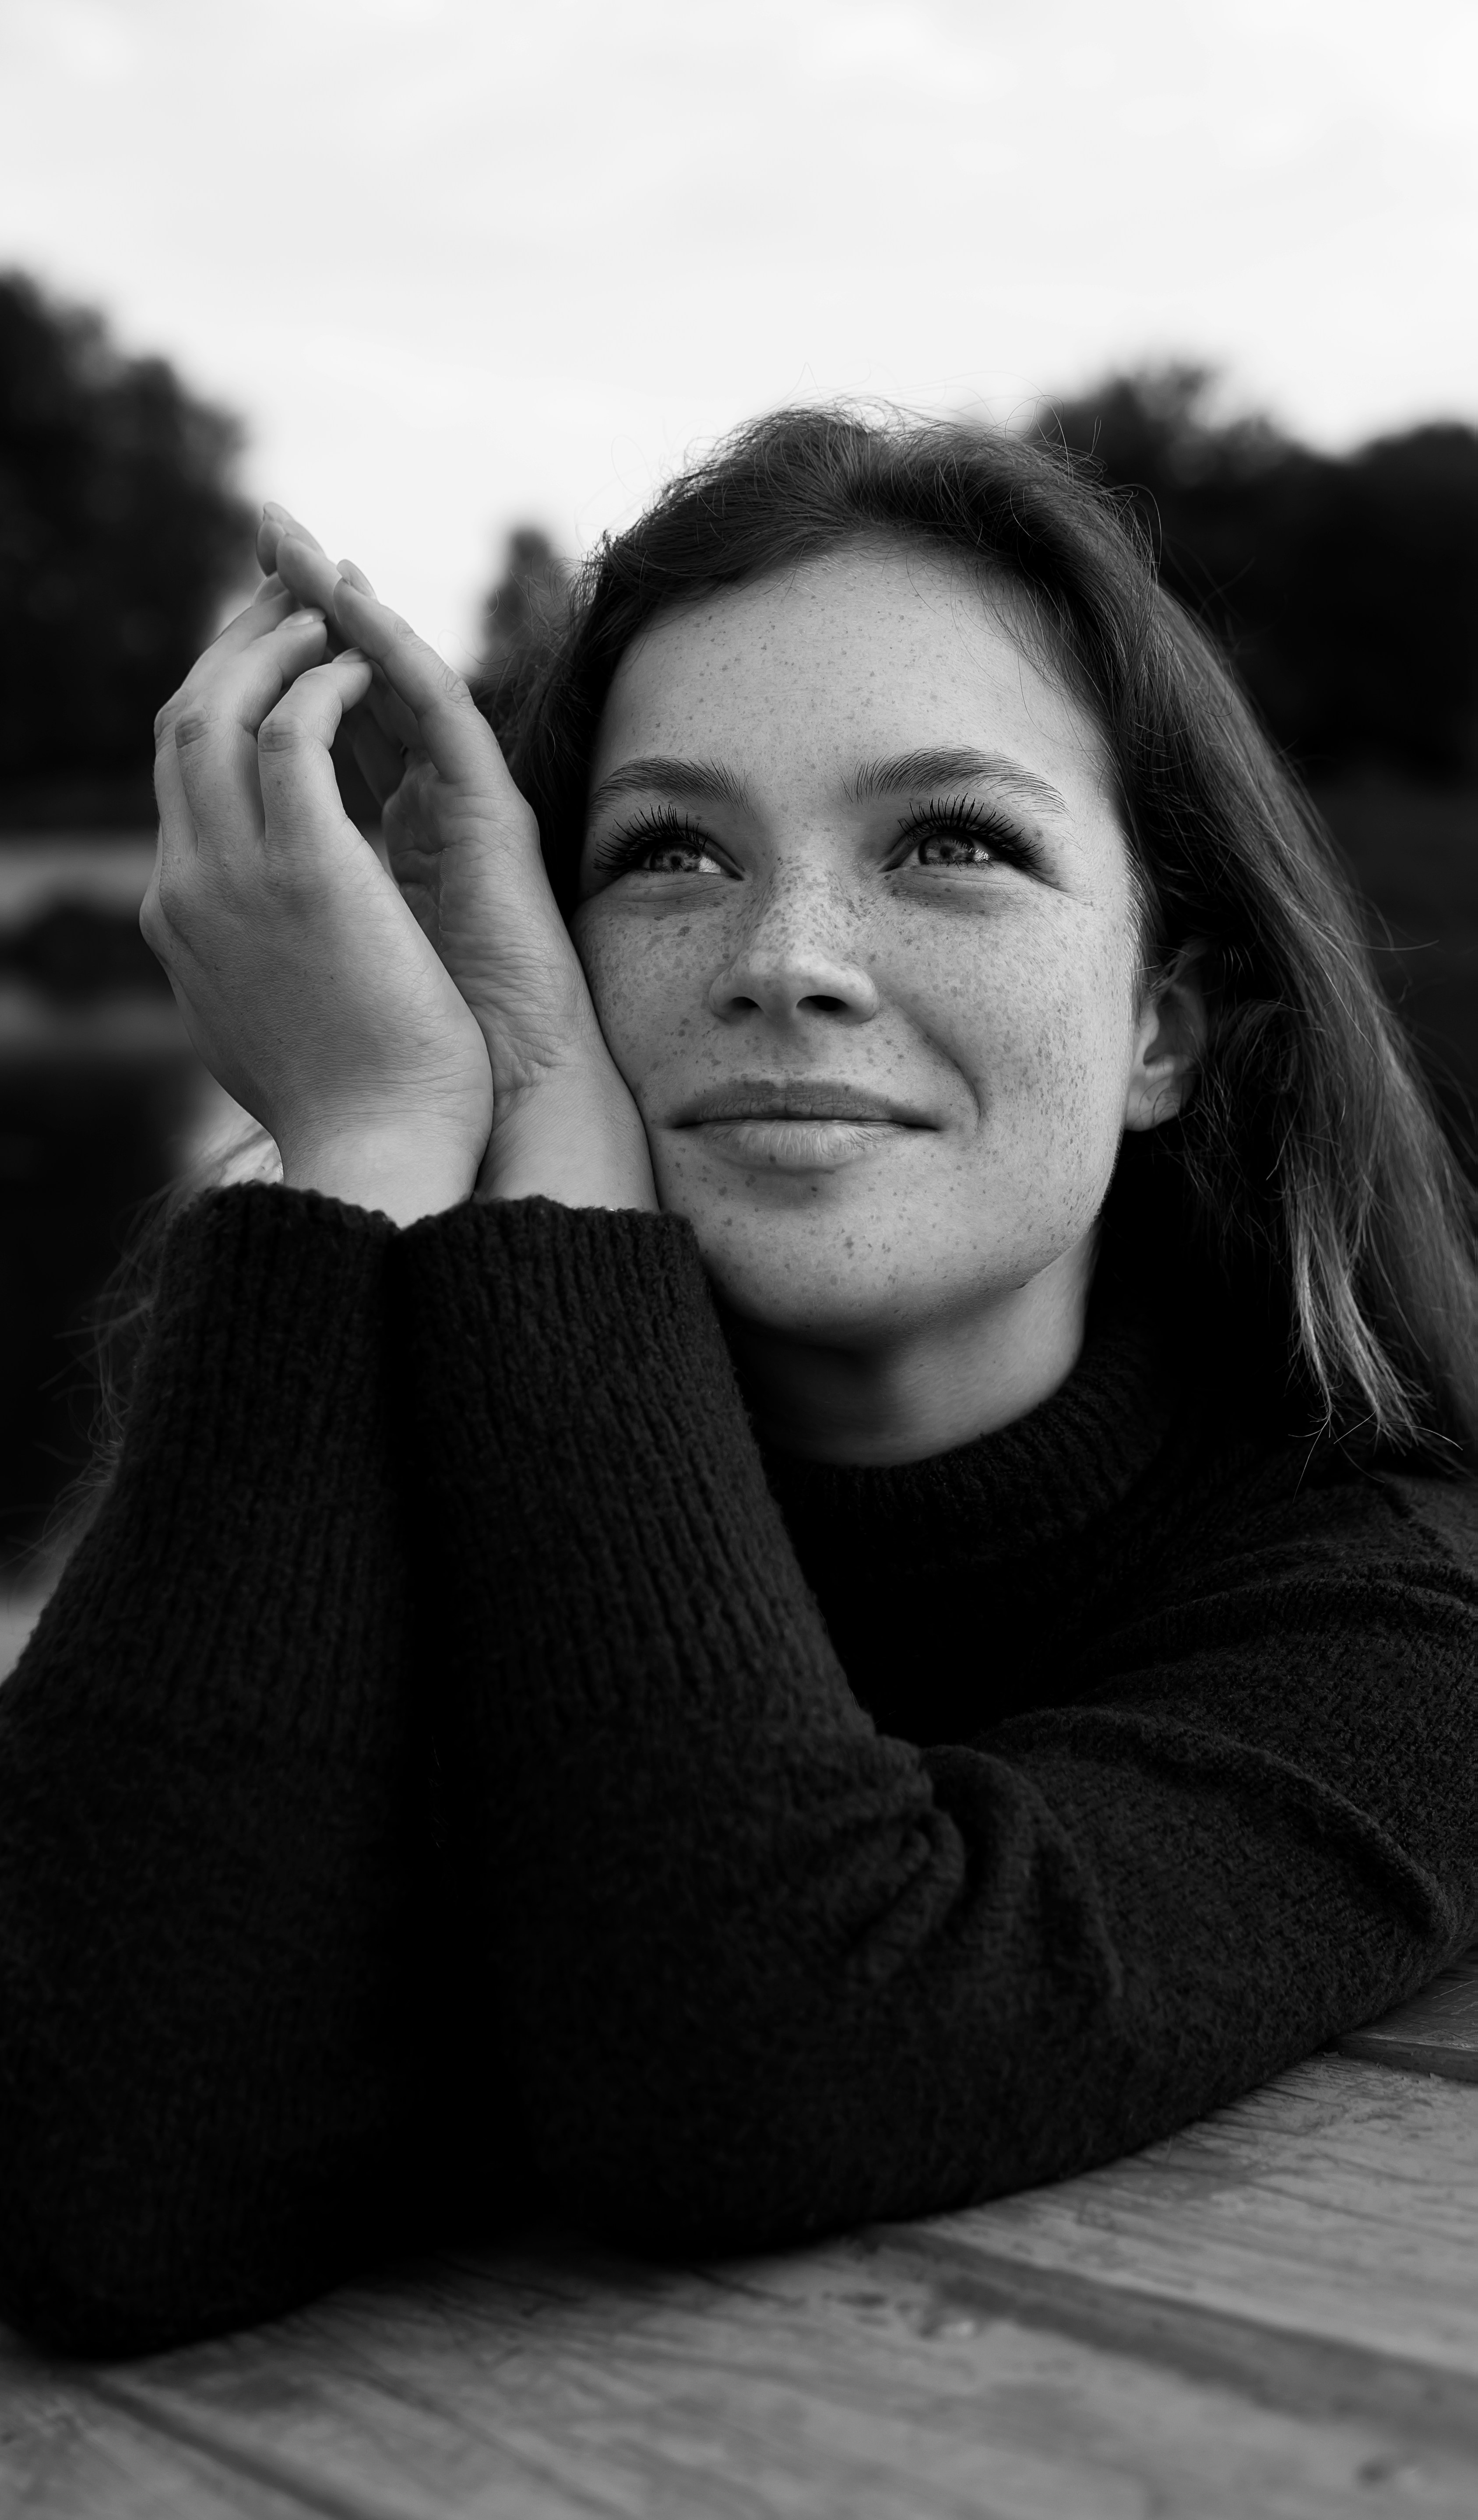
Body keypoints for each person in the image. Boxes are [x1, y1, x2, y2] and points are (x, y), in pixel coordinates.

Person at [2, 408, 1476, 2361]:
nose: (788, 959)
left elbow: (766, 2059)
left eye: (953, 843)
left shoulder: (1402, 1613)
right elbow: (109, 2182)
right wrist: (374, 1127)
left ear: (1161, 1026)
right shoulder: (385, 1460)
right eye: (669, 853)